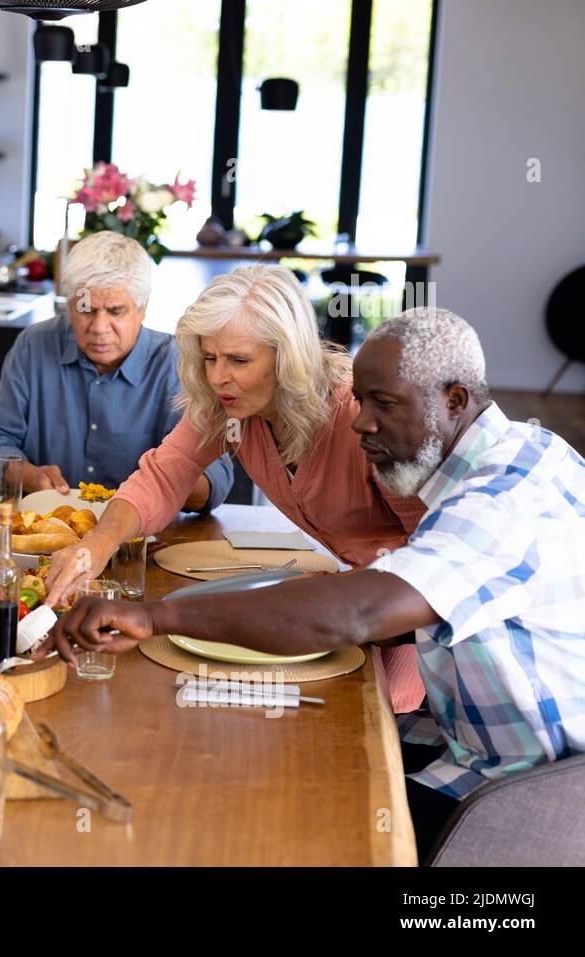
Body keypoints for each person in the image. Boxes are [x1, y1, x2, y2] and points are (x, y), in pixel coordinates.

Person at [43, 308, 585, 859]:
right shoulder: (523, 452)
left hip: (520, 796)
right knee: (273, 761)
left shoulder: (501, 501)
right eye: (363, 400)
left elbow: (360, 611)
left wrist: (155, 617)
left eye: (384, 404)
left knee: (266, 823)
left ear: (453, 401)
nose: (360, 422)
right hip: (455, 736)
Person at [45, 263, 429, 712]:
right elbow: (164, 474)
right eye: (210, 358)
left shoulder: (359, 416)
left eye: (239, 361)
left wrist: (354, 609)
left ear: (288, 357)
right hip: (347, 600)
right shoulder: (226, 406)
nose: (217, 377)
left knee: (372, 729)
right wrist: (96, 544)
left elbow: (432, 548)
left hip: (407, 617)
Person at [0, 230, 231, 508]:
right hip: (47, 526)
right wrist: (29, 477)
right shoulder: (33, 345)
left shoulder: (177, 363)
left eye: (115, 311)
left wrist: (158, 485)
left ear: (143, 308)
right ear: (68, 305)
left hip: (143, 539)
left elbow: (215, 479)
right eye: (86, 310)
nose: (98, 328)